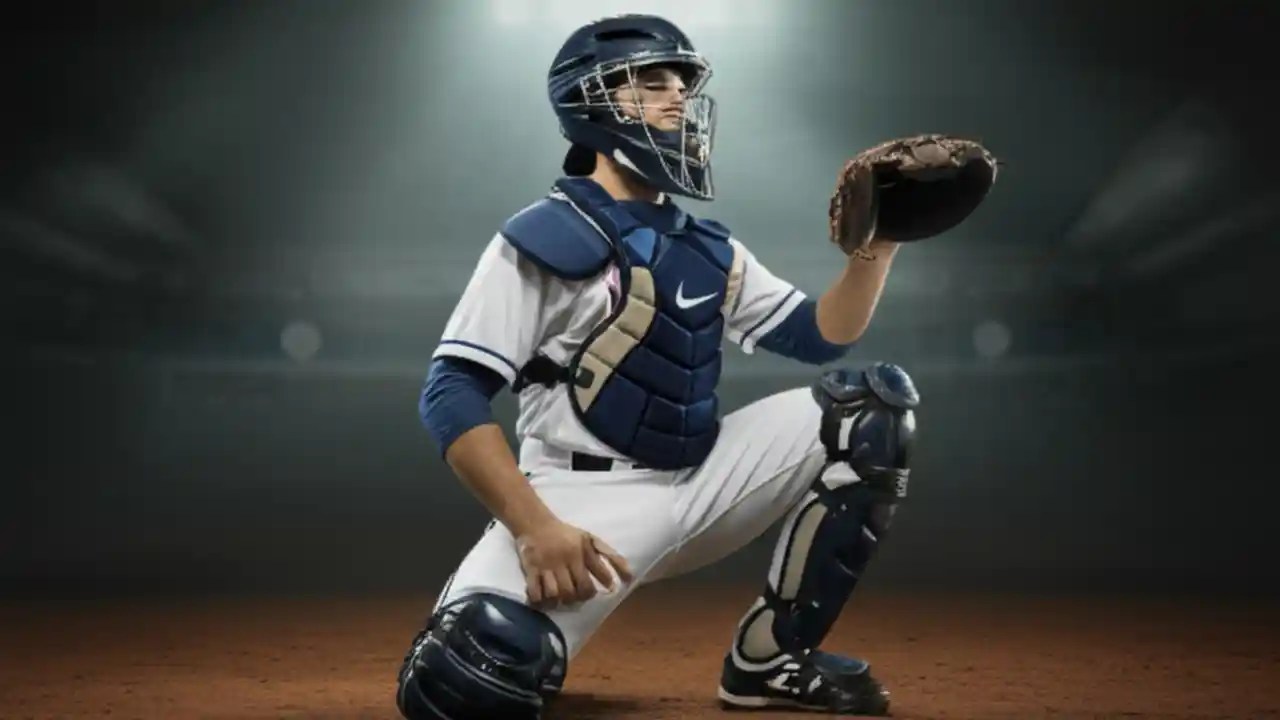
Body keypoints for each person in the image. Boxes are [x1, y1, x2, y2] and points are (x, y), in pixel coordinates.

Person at [396, 13, 920, 719]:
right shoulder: (545, 235)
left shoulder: (706, 246)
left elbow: (819, 336)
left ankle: (769, 660)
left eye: (681, 82)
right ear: (591, 103)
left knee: (871, 409)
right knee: (464, 676)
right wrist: (533, 527)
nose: (677, 96)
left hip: (703, 479)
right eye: (650, 82)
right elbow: (452, 393)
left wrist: (875, 250)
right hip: (577, 510)